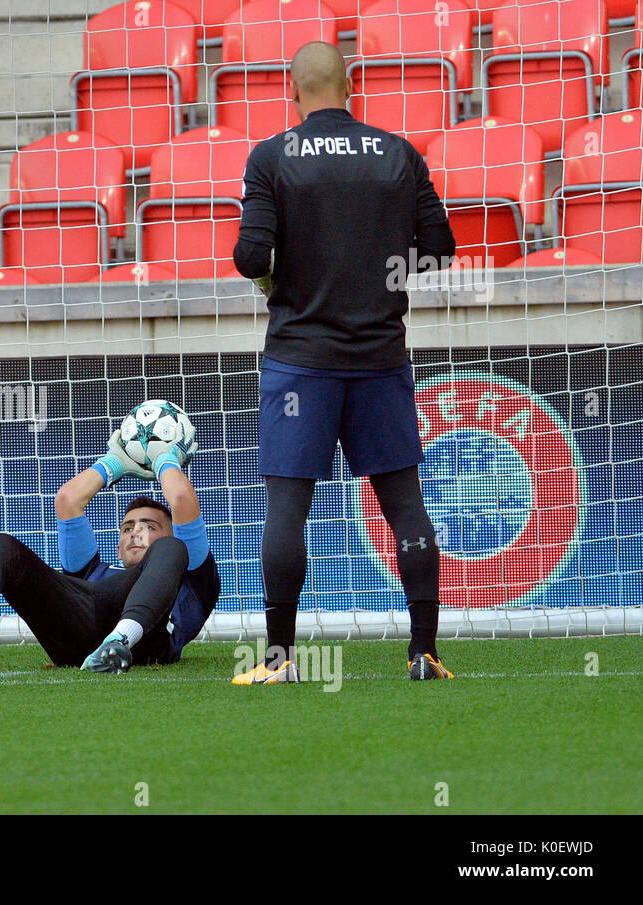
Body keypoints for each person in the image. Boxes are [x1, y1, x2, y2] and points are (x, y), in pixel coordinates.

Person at [231, 41, 457, 684]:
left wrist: (285, 275)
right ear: (351, 88)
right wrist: (377, 269)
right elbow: (440, 248)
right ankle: (423, 653)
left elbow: (250, 258)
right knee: (405, 507)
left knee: (287, 510)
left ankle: (279, 660)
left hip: (300, 361)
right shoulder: (397, 153)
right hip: (380, 357)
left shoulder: (272, 156)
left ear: (291, 89)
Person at [0, 428, 219, 675]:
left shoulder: (192, 578)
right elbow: (67, 501)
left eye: (149, 527)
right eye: (127, 528)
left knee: (171, 549)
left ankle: (119, 642)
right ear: (118, 545)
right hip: (76, 631)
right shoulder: (92, 570)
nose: (135, 533)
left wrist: (165, 458)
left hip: (145, 645)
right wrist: (113, 462)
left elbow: (181, 498)